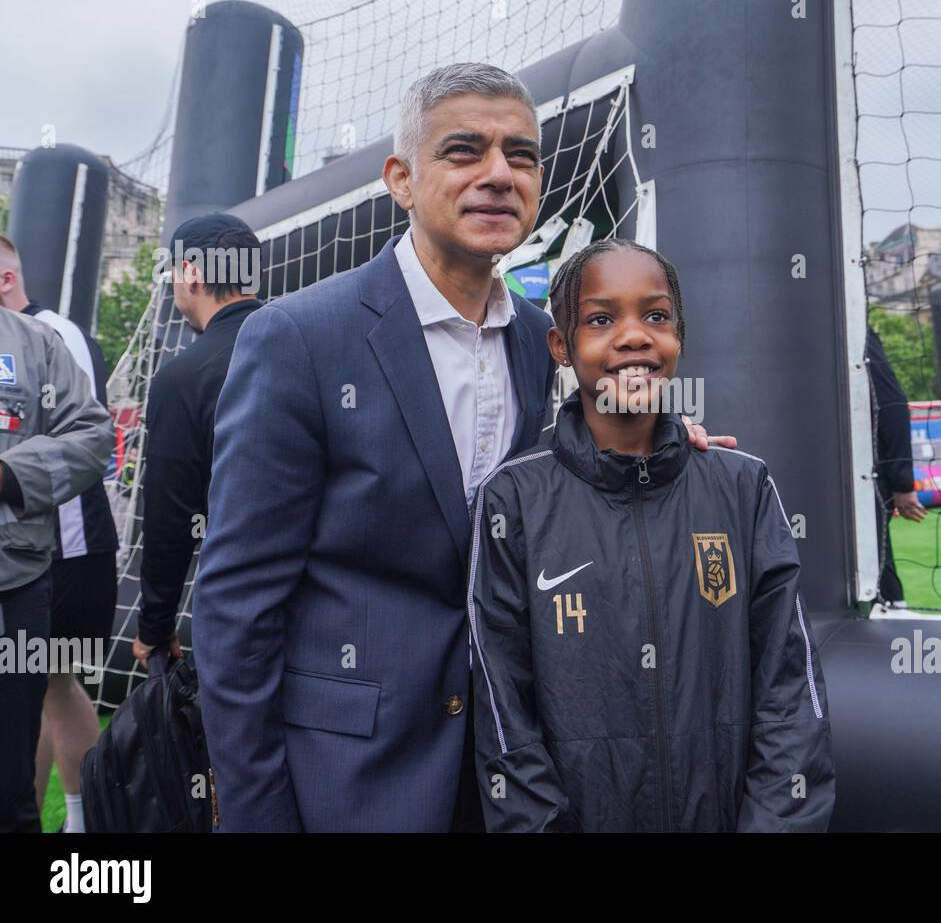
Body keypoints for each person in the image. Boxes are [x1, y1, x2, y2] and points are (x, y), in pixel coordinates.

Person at [192, 63, 729, 833]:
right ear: (402, 180)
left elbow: (590, 452)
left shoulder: (543, 339)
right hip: (345, 775)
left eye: (520, 155)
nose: (498, 175)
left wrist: (672, 448)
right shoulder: (298, 338)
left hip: (508, 771)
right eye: (464, 151)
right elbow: (236, 606)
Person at [468, 239, 834, 831]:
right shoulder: (513, 500)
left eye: (656, 316)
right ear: (562, 345)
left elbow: (789, 689)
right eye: (601, 319)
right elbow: (502, 707)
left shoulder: (742, 487)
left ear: (679, 337)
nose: (634, 336)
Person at [0, 235, 120, 833]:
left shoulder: (42, 338)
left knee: (54, 684)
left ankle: (77, 821)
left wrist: (11, 475)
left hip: (43, 566)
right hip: (58, 557)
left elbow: (91, 437)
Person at [130, 213, 264, 666]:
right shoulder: (316, 344)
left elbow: (170, 519)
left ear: (190, 272)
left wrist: (154, 625)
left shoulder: (183, 378)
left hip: (244, 614)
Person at [866, 326, 925, 610]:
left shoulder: (853, 333)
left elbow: (893, 405)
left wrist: (902, 483)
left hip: (865, 481)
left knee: (872, 563)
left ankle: (893, 614)